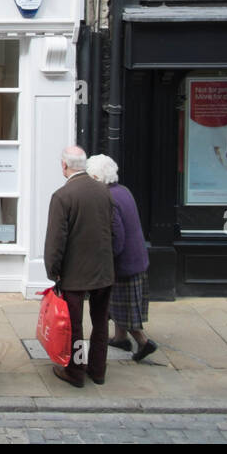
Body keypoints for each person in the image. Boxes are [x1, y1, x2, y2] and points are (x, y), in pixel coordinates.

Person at [43, 145, 115, 387]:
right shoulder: (103, 191)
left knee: (74, 325)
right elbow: (111, 230)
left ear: (64, 166)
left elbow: (56, 240)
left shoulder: (62, 196)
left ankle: (75, 371)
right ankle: (98, 370)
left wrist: (53, 271)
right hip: (103, 270)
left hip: (74, 272)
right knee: (101, 322)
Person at [88, 153, 157, 362]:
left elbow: (116, 238)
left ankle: (143, 342)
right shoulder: (122, 191)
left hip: (124, 264)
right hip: (137, 259)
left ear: (97, 178)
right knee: (117, 303)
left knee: (123, 307)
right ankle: (120, 338)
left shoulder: (108, 199)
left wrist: (104, 261)